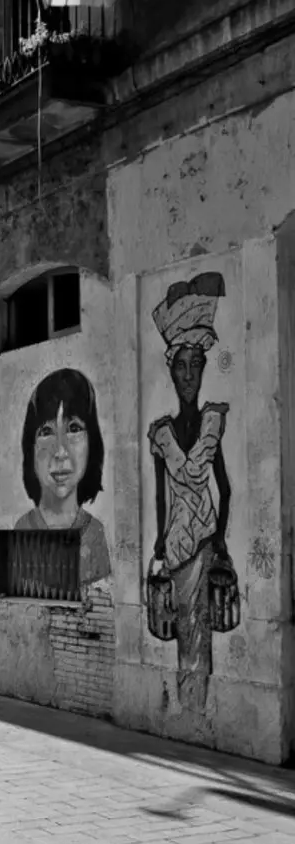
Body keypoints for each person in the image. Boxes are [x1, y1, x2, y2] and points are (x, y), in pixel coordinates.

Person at [147, 272, 233, 713]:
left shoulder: (213, 422)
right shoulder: (161, 433)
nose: (188, 376)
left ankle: (196, 708)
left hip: (204, 540)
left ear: (201, 370)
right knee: (183, 625)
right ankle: (189, 708)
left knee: (201, 626)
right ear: (171, 369)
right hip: (177, 544)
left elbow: (226, 487)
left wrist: (220, 540)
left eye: (195, 366)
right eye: (181, 366)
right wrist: (160, 541)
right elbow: (161, 493)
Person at [14, 368, 111, 586]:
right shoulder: (23, 530)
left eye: (74, 429)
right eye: (46, 432)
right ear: (30, 448)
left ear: (91, 441)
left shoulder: (94, 535)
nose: (60, 451)